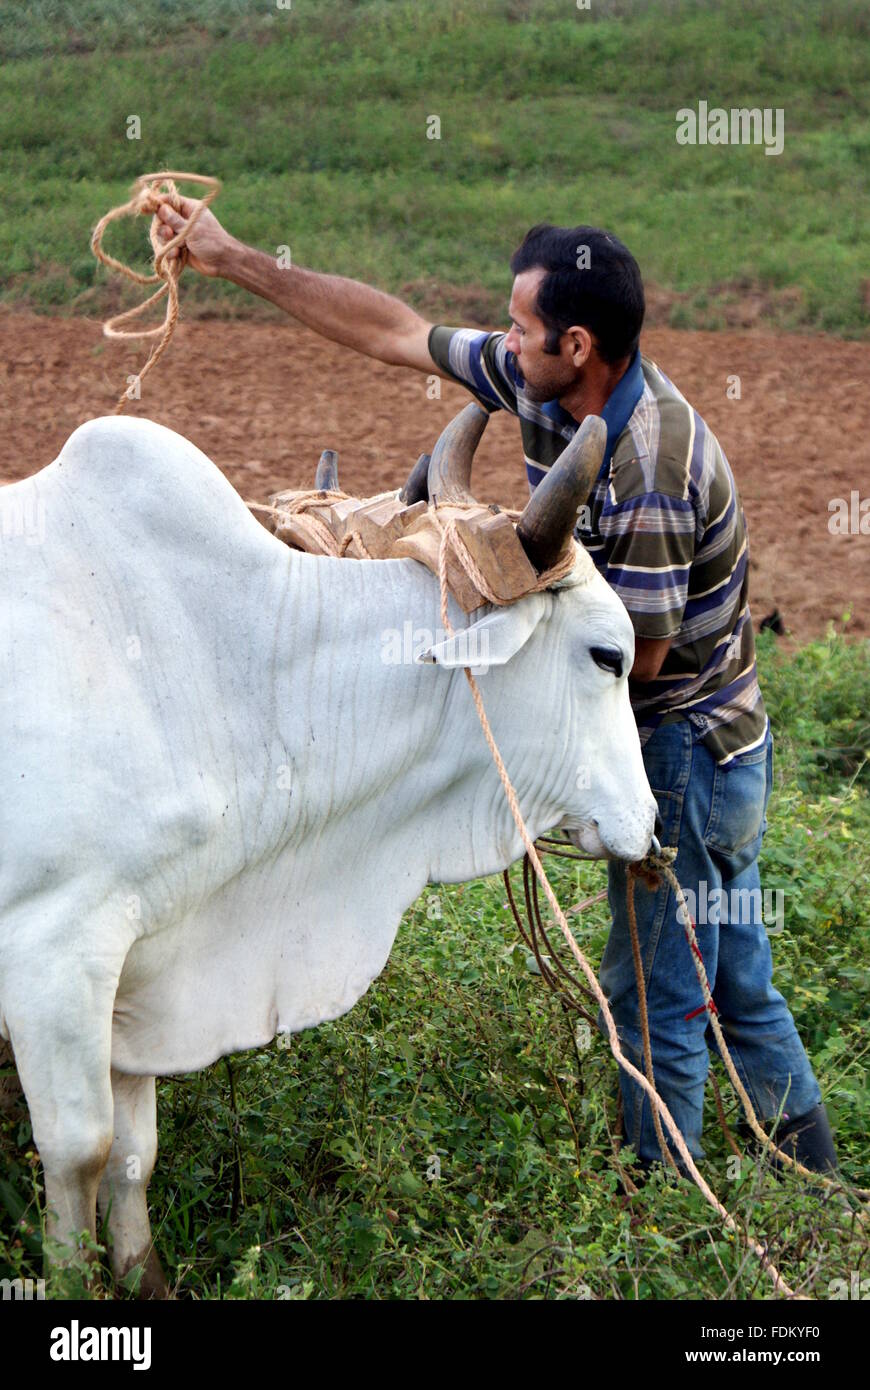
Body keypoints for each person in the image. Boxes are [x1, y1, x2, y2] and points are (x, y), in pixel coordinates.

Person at [155, 200, 838, 1176]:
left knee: (656, 990)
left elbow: (636, 663)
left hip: (678, 743)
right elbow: (390, 329)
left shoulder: (646, 461)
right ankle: (811, 1168)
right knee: (730, 968)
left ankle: (669, 1219)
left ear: (576, 342)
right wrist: (230, 258)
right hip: (729, 735)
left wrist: (493, 600)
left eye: (517, 327)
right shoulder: (539, 378)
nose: (501, 342)